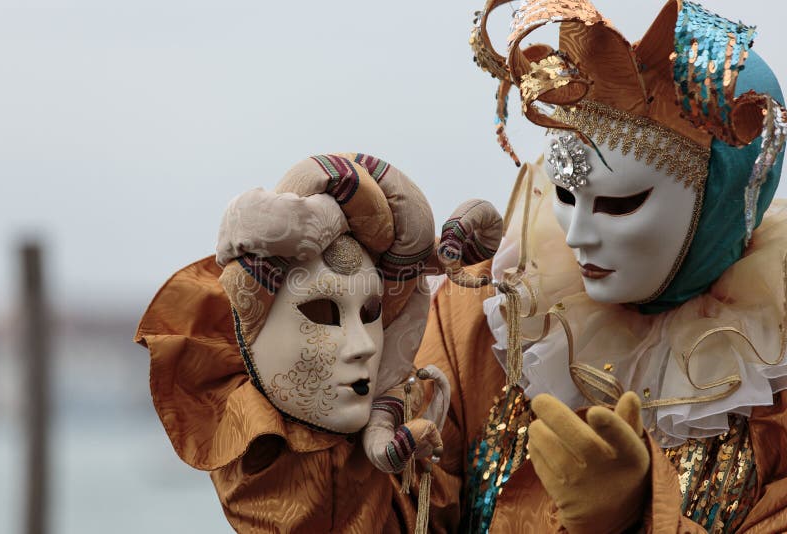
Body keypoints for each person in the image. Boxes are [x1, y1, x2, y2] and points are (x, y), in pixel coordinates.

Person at [419, 0, 787, 532]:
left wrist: (638, 517)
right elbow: (399, 506)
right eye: (565, 196)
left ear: (722, 204)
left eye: (620, 204)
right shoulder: (489, 318)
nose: (576, 235)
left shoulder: (772, 388)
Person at [135, 152, 502, 532]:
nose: (364, 346)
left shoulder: (423, 442)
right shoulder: (263, 467)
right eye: (323, 314)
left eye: (371, 312)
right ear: (245, 336)